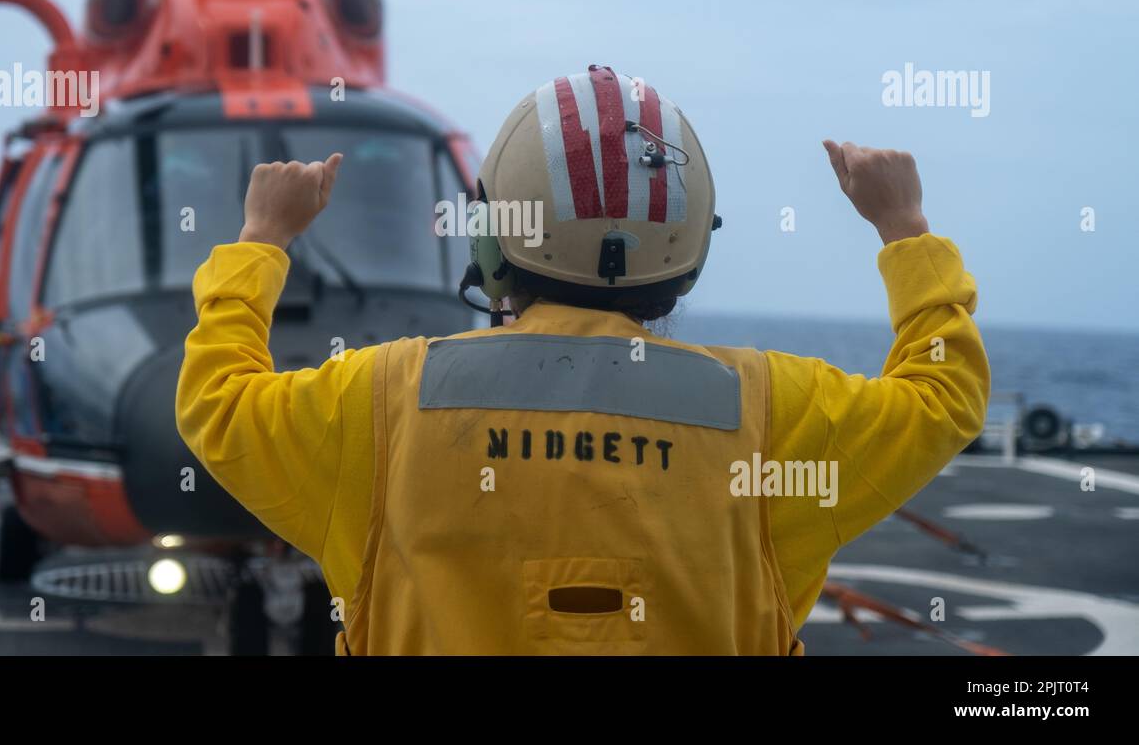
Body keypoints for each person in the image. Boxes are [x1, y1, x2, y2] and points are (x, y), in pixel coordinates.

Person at [177, 66, 990, 654]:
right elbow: (943, 397)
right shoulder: (773, 411)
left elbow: (217, 402)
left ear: (493, 236)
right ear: (688, 256)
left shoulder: (381, 401)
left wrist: (261, 243)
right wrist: (904, 230)